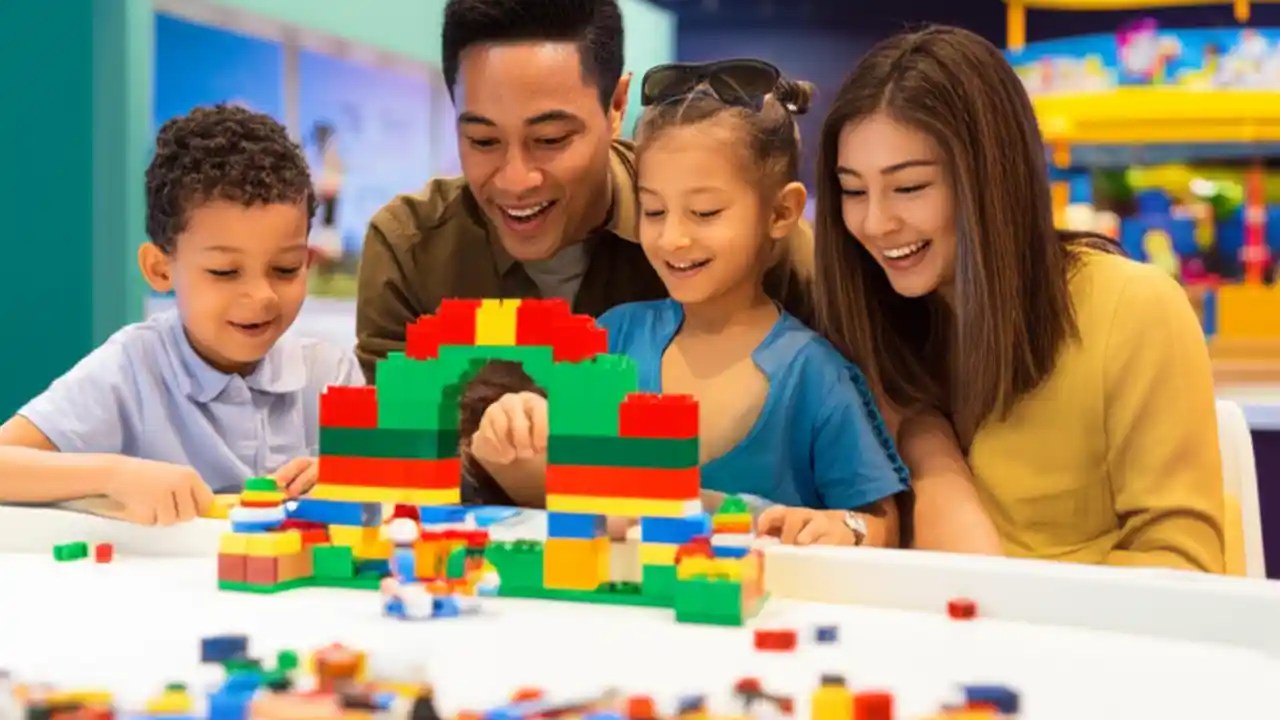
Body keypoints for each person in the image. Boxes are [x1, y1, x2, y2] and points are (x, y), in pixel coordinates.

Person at [812, 26, 1225, 571]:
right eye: (853, 190)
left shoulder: (1131, 307)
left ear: (990, 176)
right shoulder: (871, 326)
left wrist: (1017, 603)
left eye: (909, 187)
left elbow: (1184, 566)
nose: (875, 222)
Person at [465, 60, 912, 547]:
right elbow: (558, 494)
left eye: (704, 212)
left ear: (781, 212)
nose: (672, 238)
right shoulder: (612, 340)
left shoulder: (815, 377)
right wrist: (512, 436)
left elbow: (882, 523)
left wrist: (843, 528)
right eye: (654, 210)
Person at [354, 0, 814, 383]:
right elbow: (396, 444)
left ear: (616, 105)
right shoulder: (411, 250)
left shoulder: (749, 238)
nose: (516, 180)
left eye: (550, 139)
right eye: (483, 141)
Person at [0, 104, 365, 525]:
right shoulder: (131, 368)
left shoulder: (330, 373)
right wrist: (115, 475)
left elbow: (396, 487)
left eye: (286, 269)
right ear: (160, 269)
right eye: (225, 272)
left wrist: (348, 477)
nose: (262, 296)